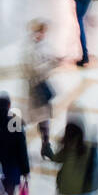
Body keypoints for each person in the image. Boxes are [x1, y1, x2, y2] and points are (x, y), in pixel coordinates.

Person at [22, 19, 56, 157]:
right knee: (31, 117)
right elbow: (33, 68)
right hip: (36, 88)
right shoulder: (30, 49)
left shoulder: (41, 45)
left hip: (40, 86)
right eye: (42, 32)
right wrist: (51, 64)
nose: (43, 34)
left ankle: (45, 145)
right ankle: (15, 140)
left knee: (43, 116)